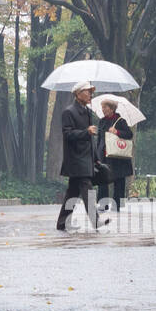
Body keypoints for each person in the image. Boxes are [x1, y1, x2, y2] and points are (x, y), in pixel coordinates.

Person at [57, 82, 102, 232]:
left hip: (87, 158)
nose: (90, 94)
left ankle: (62, 223)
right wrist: (86, 132)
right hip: (76, 158)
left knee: (72, 192)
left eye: (91, 91)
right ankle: (96, 221)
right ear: (77, 94)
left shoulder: (88, 112)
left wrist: (95, 157)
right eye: (87, 91)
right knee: (87, 188)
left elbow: (91, 138)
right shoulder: (68, 112)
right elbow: (67, 134)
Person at [96, 98, 134, 211]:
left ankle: (116, 204)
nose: (103, 109)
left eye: (105, 107)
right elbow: (99, 139)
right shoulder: (102, 121)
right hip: (104, 155)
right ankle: (103, 204)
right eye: (102, 107)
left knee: (119, 179)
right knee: (102, 179)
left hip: (117, 157)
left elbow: (129, 134)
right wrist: (97, 154)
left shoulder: (120, 120)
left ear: (112, 108)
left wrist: (117, 132)